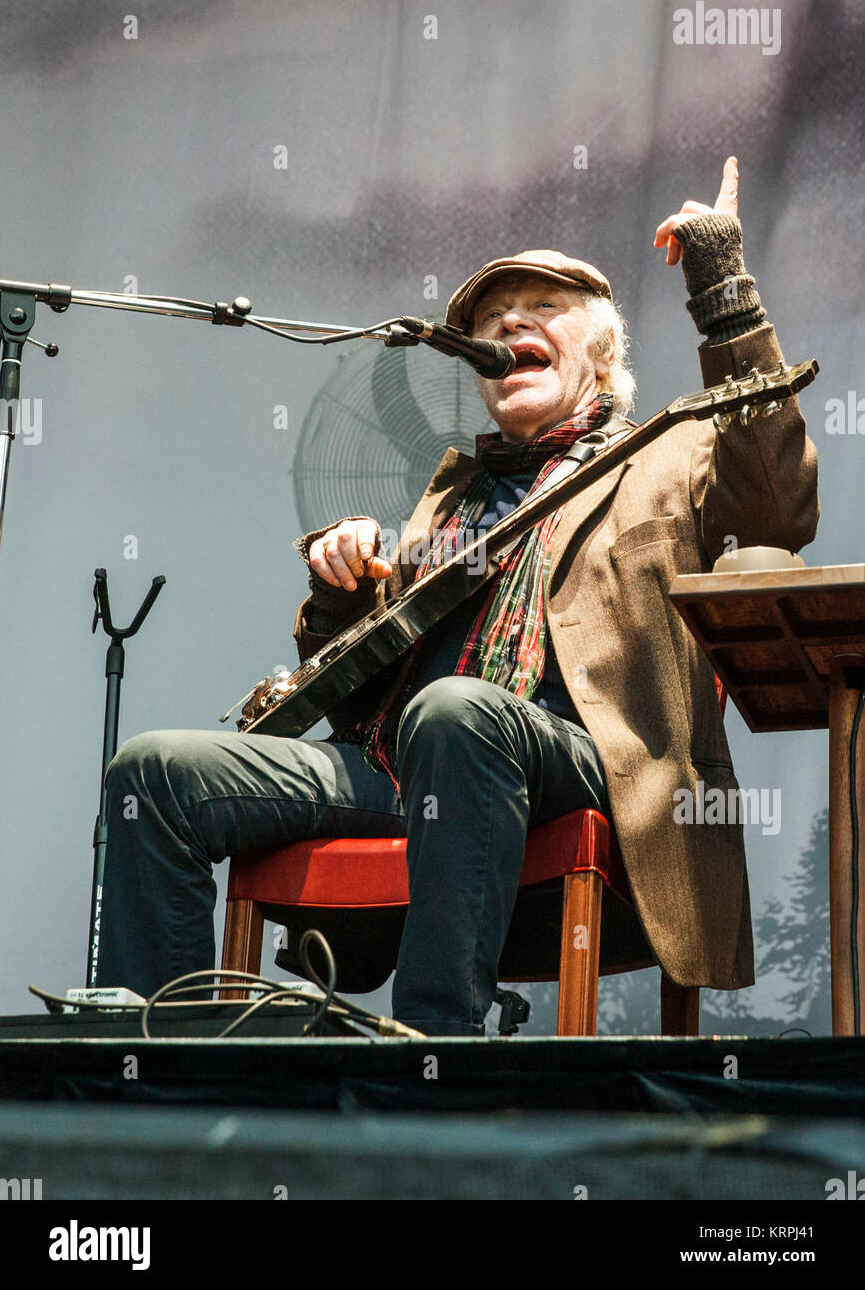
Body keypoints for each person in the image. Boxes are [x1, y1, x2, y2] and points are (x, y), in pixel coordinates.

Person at [96, 157, 818, 1036]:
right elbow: (361, 694)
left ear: (599, 352)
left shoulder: (671, 452)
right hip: (417, 764)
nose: (509, 322)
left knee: (458, 713)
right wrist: (337, 589)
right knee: (156, 771)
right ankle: (155, 1052)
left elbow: (779, 498)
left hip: (595, 764)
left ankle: (432, 1041)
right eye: (488, 320)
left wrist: (722, 283)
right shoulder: (450, 500)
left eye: (541, 309)